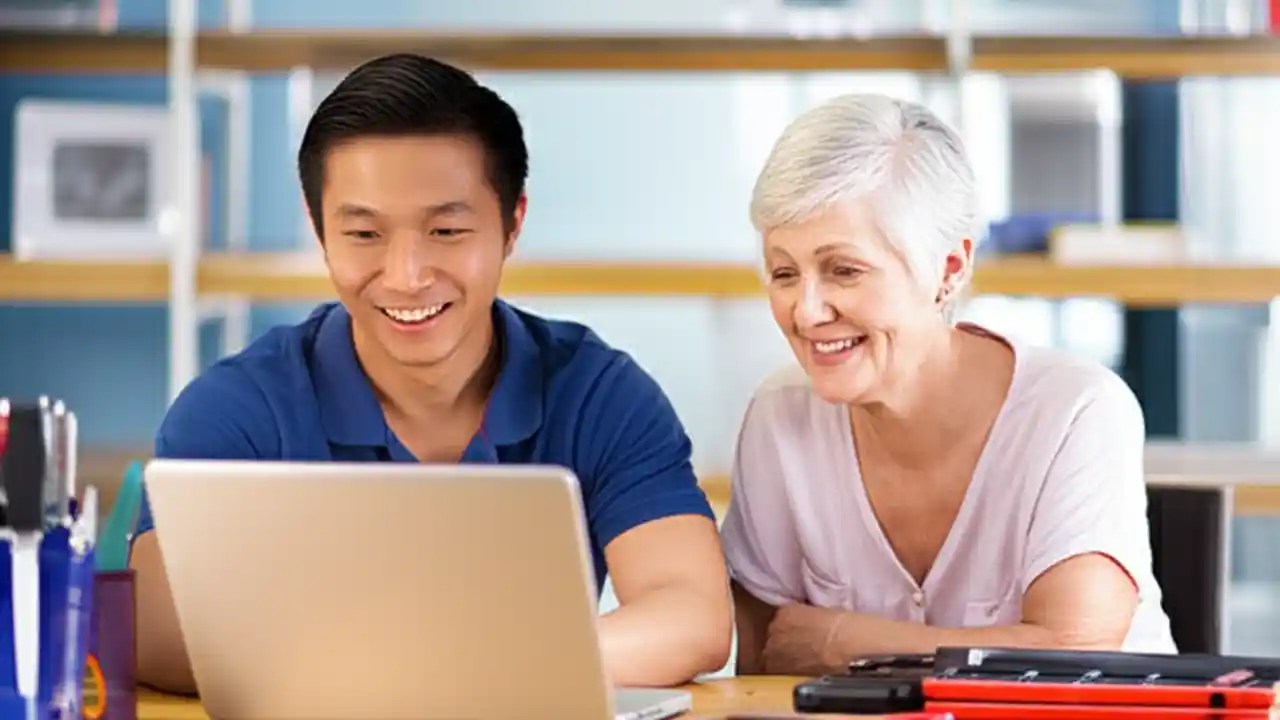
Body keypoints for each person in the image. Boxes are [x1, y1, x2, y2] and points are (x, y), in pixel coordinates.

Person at [130, 53, 732, 694]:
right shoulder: (236, 407)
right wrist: (455, 677)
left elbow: (691, 616)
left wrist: (443, 679)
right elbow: (157, 630)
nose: (407, 274)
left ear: (511, 224)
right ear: (320, 231)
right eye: (364, 234)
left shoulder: (599, 394)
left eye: (446, 229)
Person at [720, 93, 1177, 676]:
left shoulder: (1077, 409)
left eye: (844, 270)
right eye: (784, 273)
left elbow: (1074, 654)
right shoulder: (779, 416)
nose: (806, 312)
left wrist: (848, 644)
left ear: (949, 268)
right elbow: (766, 668)